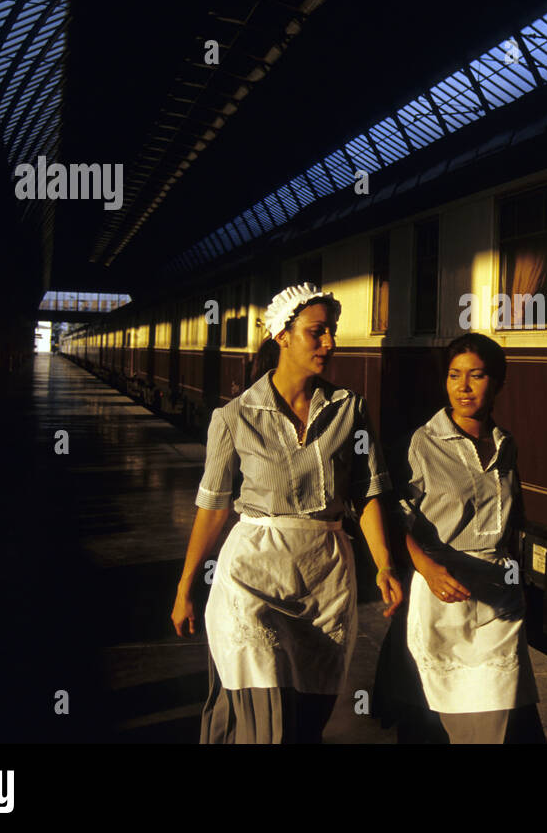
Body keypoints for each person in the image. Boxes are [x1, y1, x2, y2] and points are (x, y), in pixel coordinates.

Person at [171, 283, 403, 743]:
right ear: (283, 336)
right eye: (317, 332)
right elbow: (213, 507)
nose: (330, 343)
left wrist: (384, 564)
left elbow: (367, 493)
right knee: (262, 703)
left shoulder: (348, 410)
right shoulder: (234, 417)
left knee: (305, 715)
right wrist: (185, 587)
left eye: (331, 331)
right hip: (251, 573)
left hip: (326, 578)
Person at [400, 332, 541, 743]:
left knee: (497, 715)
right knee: (450, 716)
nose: (463, 388)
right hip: (444, 597)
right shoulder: (422, 444)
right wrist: (427, 569)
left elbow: (514, 520)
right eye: (454, 376)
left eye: (476, 376)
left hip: (498, 598)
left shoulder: (505, 445)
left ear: (497, 383)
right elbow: (398, 518)